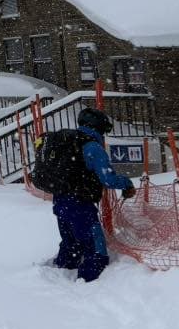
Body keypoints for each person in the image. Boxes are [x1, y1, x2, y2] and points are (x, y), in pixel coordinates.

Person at [41, 107, 137, 282]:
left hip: (59, 201)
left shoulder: (65, 141)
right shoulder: (91, 146)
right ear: (99, 127)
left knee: (71, 244)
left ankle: (59, 275)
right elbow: (108, 179)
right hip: (80, 204)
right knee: (96, 249)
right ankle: (89, 283)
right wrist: (126, 183)